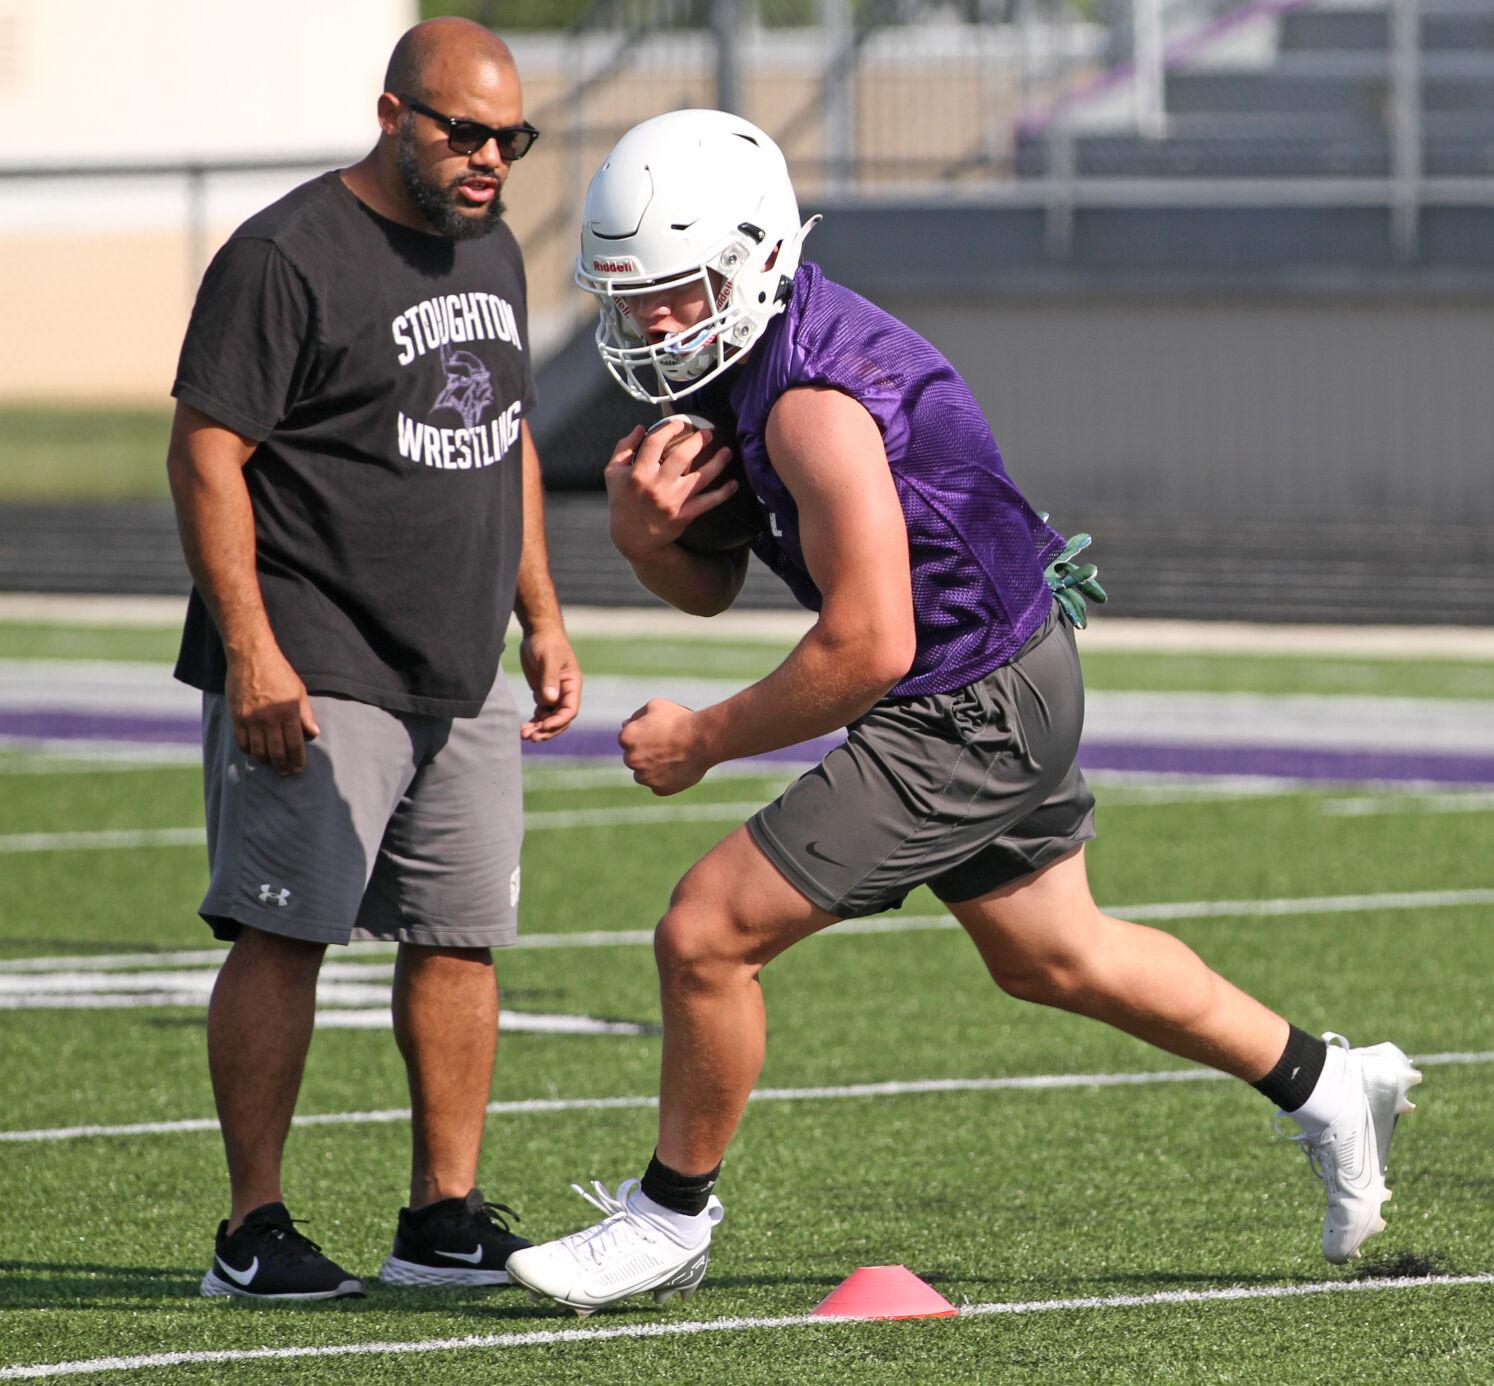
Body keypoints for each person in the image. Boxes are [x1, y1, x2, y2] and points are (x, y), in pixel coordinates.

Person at [503, 109, 1421, 1316]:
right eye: (637, 298)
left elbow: (868, 645)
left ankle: (668, 1215)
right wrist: (641, 536)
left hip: (962, 698)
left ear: (756, 256)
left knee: (705, 935)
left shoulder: (808, 402)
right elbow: (716, 584)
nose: (658, 322)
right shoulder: (750, 356)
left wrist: (705, 739)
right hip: (994, 668)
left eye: (683, 290)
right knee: (1056, 955)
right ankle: (1322, 1083)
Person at [166, 17, 580, 1302]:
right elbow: (205, 453)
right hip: (317, 653)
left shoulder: (496, 249)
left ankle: (441, 1216)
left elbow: (505, 435)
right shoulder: (287, 253)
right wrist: (252, 652)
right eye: (465, 132)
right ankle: (254, 1227)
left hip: (458, 662)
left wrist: (542, 614)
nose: (489, 161)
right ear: (393, 112)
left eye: (510, 140)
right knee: (283, 935)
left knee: (459, 941)